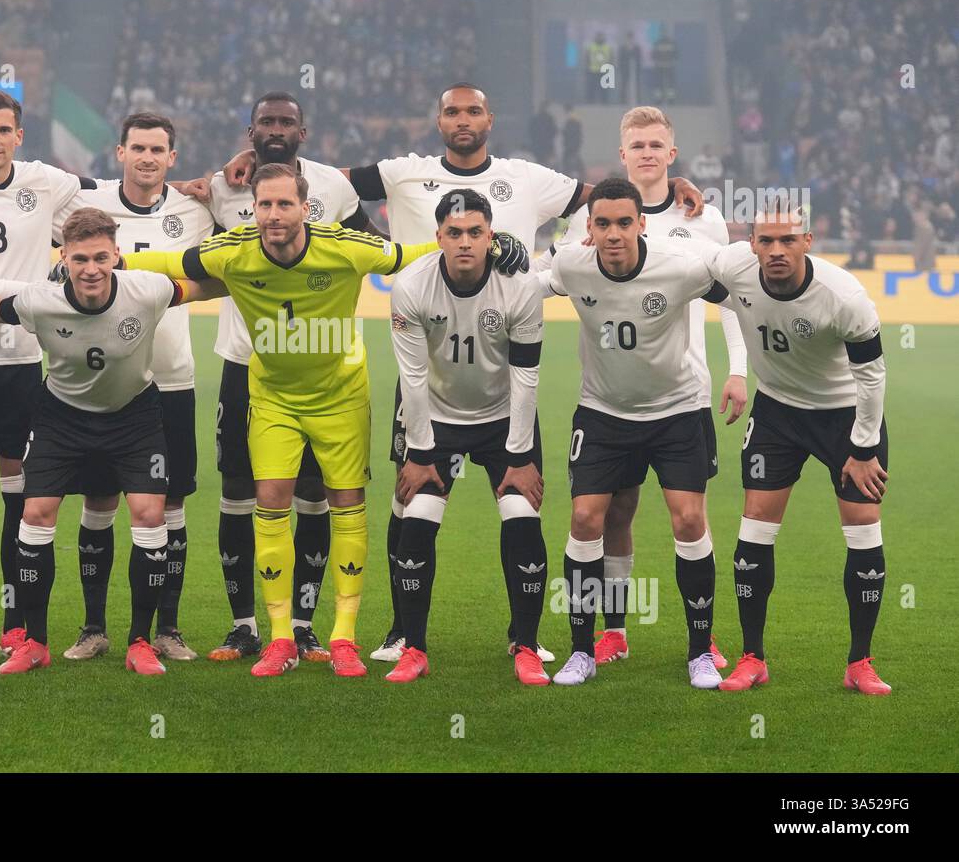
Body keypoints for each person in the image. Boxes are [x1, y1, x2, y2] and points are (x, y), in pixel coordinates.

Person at [223, 82, 705, 663]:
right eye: (451, 110)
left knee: (518, 509)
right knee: (409, 503)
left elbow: (599, 199)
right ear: (439, 120)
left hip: (502, 373)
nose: (462, 119)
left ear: (489, 119)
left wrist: (664, 186)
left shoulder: (527, 177)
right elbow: (322, 179)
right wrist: (265, 159)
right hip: (429, 373)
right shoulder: (405, 172)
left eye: (473, 110)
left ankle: (522, 639)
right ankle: (404, 632)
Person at [125, 163, 526, 678]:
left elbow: (409, 253)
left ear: (303, 206)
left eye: (283, 204)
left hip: (340, 397)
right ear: (254, 208)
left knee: (346, 504)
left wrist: (496, 243)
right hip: (272, 399)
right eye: (264, 205)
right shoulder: (234, 250)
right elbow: (166, 259)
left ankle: (342, 637)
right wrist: (111, 259)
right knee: (269, 500)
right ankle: (278, 640)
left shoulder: (343, 246)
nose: (273, 215)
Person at [0, 209, 225, 676]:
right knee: (34, 515)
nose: (91, 268)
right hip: (61, 419)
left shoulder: (148, 289)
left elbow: (209, 285)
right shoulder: (39, 301)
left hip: (134, 416)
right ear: (65, 259)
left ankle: (140, 641)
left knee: (150, 514)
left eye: (100, 257)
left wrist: (261, 269)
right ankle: (34, 642)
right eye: (80, 259)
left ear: (116, 255)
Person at [541, 107, 744, 669]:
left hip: (682, 394)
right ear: (623, 153)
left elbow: (733, 292)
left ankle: (701, 645)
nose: (648, 152)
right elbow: (541, 275)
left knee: (689, 516)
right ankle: (608, 634)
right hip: (608, 403)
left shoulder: (699, 221)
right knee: (605, 517)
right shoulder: (588, 235)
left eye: (658, 144)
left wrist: (739, 369)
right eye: (638, 144)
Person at [204, 92, 374, 664]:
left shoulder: (334, 188)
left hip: (321, 367)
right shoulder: (224, 185)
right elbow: (172, 207)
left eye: (286, 122)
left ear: (303, 130)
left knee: (314, 495)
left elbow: (368, 245)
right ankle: (244, 624)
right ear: (249, 129)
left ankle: (303, 625)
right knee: (239, 492)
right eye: (266, 122)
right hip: (244, 361)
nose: (276, 130)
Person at [707, 205, 892, 695]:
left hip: (845, 417)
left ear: (808, 240)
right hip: (778, 414)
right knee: (755, 528)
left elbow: (872, 376)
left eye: (787, 240)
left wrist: (864, 447)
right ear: (751, 244)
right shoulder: (732, 267)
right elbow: (681, 264)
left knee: (862, 531)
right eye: (765, 240)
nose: (776, 251)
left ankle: (860, 662)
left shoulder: (844, 297)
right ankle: (753, 657)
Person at [54, 112, 217, 663]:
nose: (148, 157)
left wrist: (220, 180)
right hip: (103, 389)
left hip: (171, 382)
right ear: (119, 153)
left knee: (170, 505)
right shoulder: (86, 205)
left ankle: (165, 629)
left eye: (159, 150)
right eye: (138, 148)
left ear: (174, 158)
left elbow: (228, 258)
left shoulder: (196, 209)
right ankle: (92, 627)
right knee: (98, 501)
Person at [388, 189, 550, 685]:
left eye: (475, 233)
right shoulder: (411, 287)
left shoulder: (520, 288)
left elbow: (526, 377)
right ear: (438, 237)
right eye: (454, 233)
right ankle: (413, 646)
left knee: (522, 517)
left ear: (490, 236)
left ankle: (524, 642)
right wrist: (419, 452)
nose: (464, 242)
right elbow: (412, 377)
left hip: (503, 418)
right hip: (434, 416)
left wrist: (519, 458)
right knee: (416, 517)